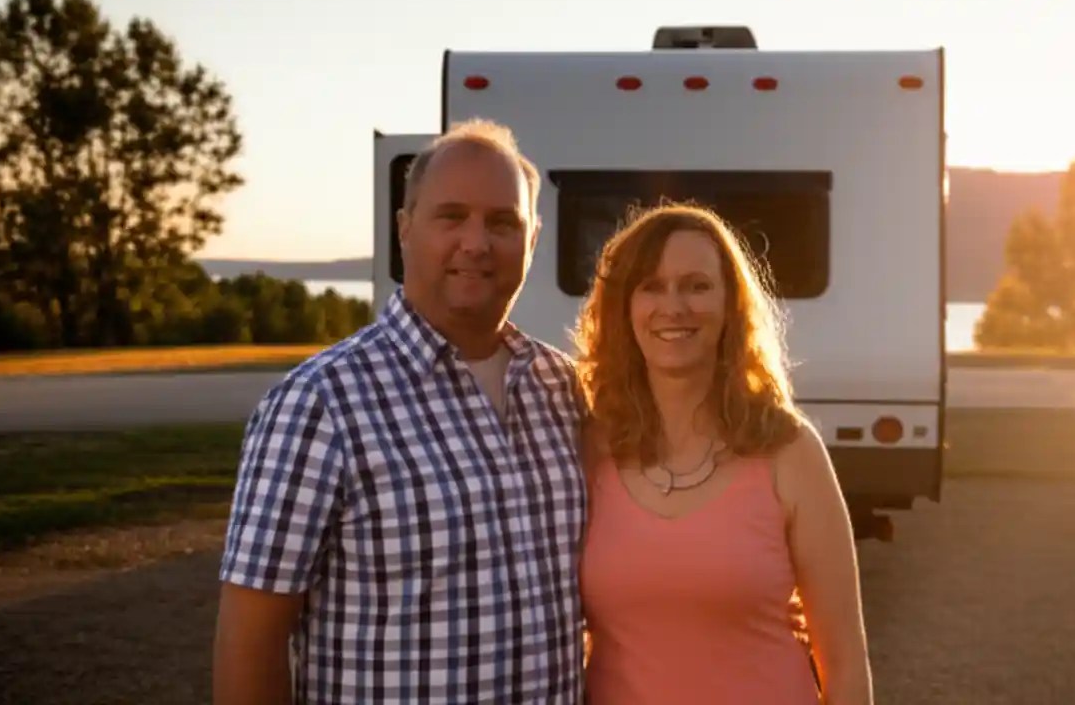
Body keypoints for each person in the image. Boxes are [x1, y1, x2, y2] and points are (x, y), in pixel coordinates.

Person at [211, 119, 589, 705]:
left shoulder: (562, 390)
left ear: (532, 240)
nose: (476, 242)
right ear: (404, 230)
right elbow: (249, 639)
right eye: (451, 216)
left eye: (502, 221)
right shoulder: (320, 404)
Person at [574, 203, 874, 704]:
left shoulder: (789, 452)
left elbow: (844, 663)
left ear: (731, 305)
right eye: (650, 285)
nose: (674, 306)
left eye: (697, 285)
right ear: (623, 308)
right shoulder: (588, 449)